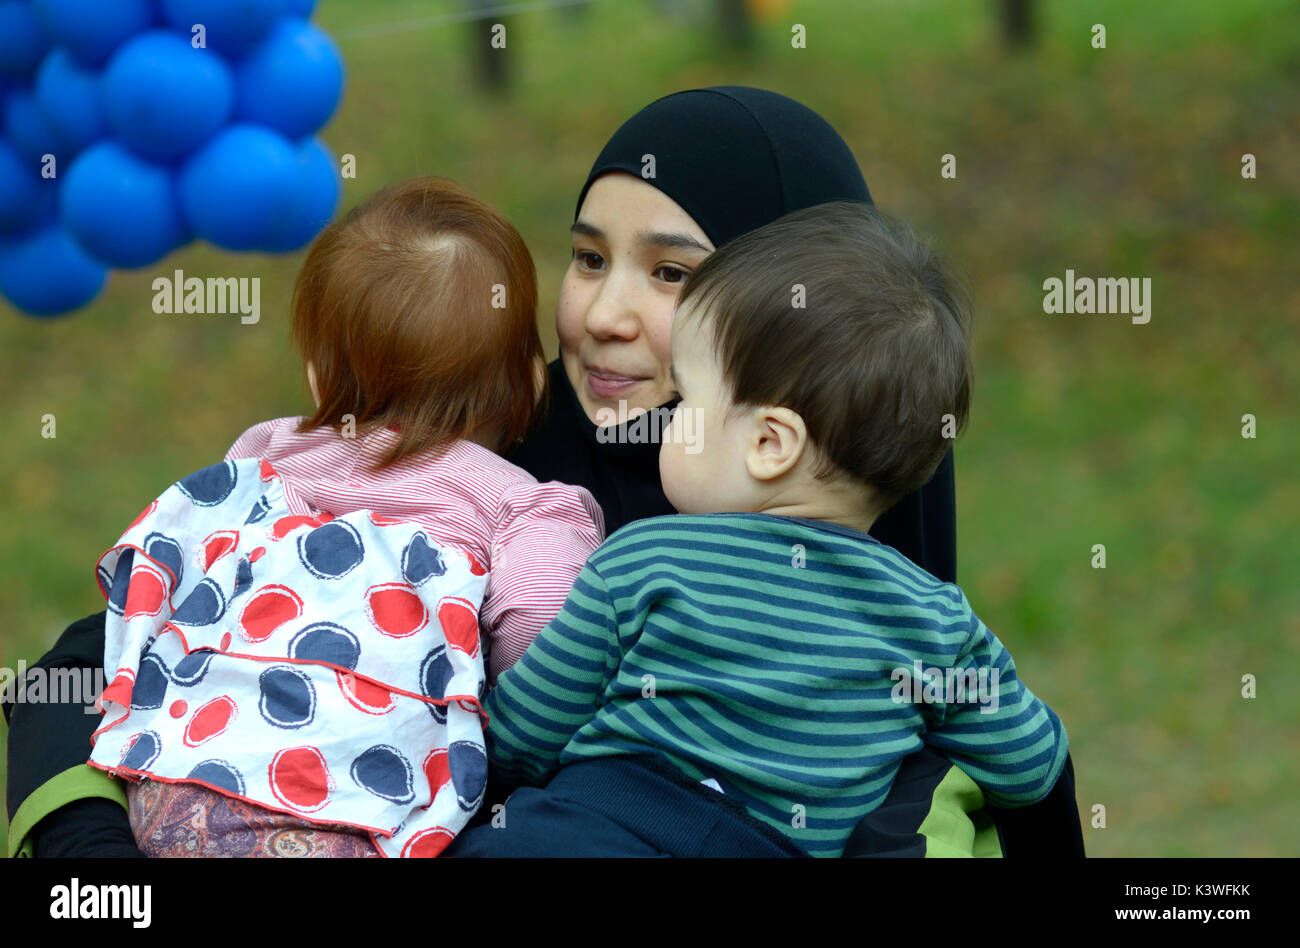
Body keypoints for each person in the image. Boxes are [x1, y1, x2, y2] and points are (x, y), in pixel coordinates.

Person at [4, 86, 1083, 858]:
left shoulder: (889, 639)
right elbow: (107, 649)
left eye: (671, 273)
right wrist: (89, 850)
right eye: (584, 257)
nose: (602, 316)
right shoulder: (485, 459)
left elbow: (1006, 780)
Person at [449, 201, 1069, 858]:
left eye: (687, 402)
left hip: (590, 832)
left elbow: (522, 734)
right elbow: (1032, 764)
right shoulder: (936, 625)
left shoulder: (641, 563)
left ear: (771, 443)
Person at [88, 176, 604, 858]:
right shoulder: (520, 504)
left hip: (172, 779)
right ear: (532, 383)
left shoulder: (265, 456)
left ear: (316, 377)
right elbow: (542, 630)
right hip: (346, 803)